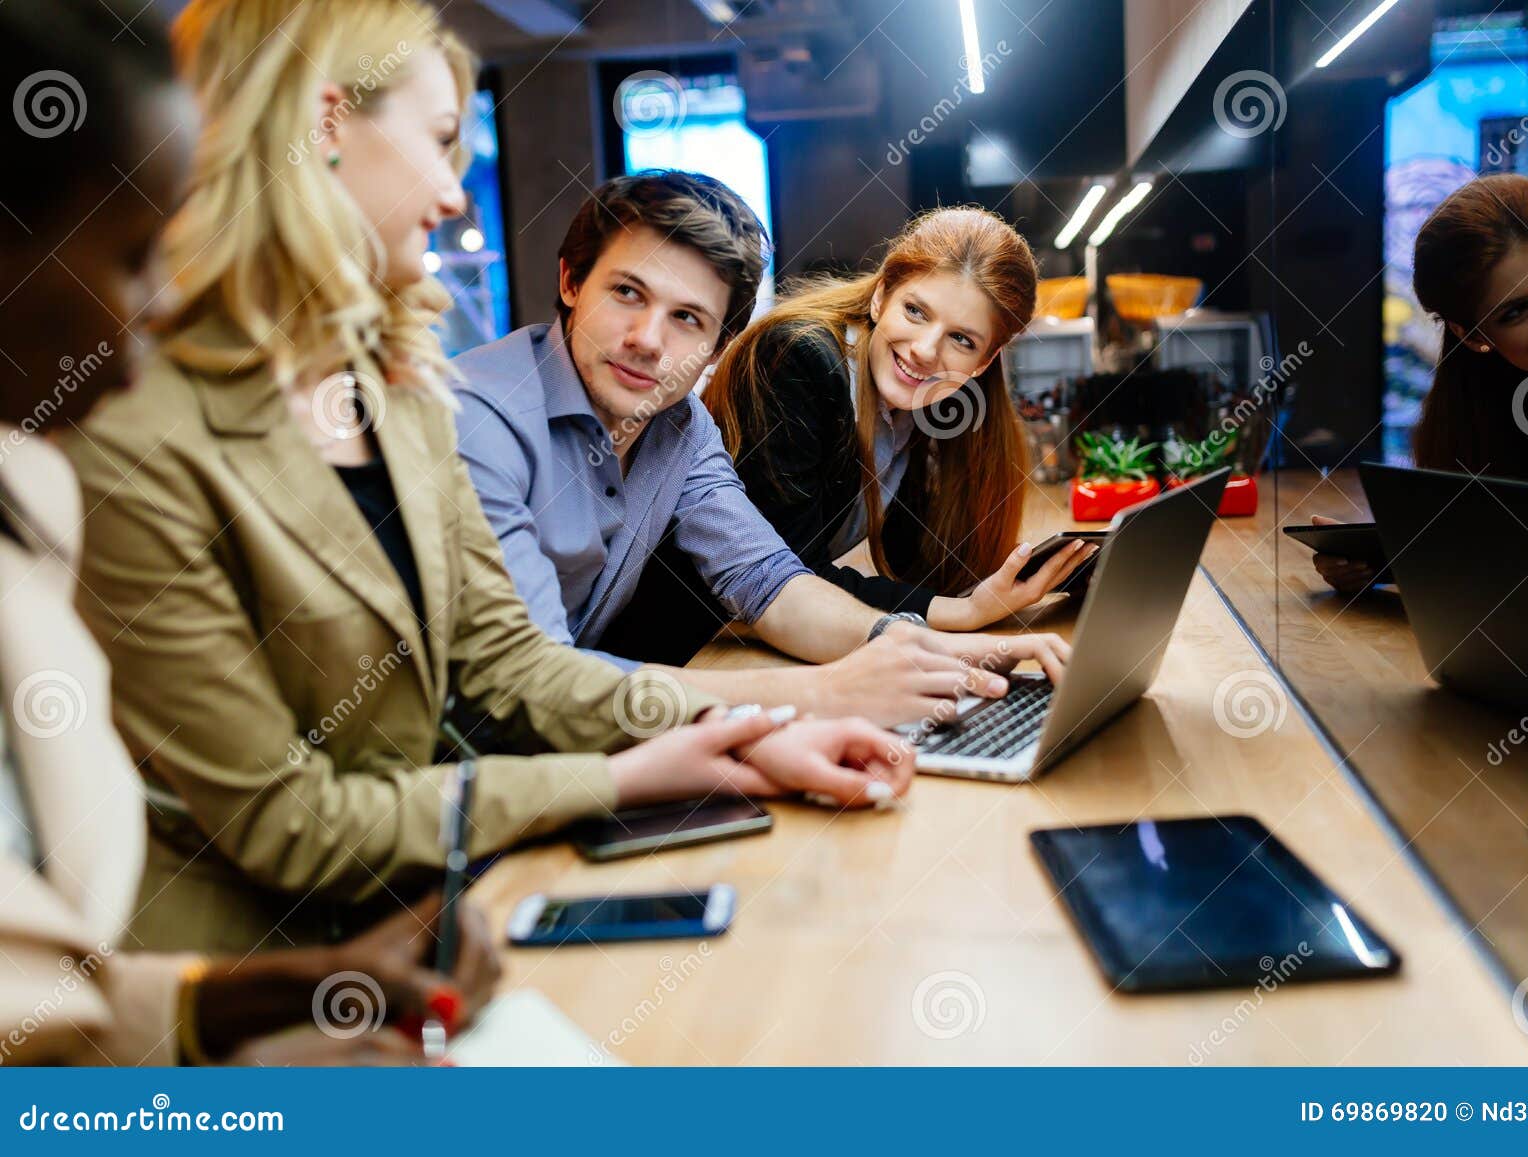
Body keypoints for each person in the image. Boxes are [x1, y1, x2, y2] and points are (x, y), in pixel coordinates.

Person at [60, 0, 907, 957]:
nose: (455, 193)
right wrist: (643, 770)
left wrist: (749, 724)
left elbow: (509, 660)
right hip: (239, 977)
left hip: (430, 910)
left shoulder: (395, 382)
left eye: (687, 319)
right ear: (327, 123)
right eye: (440, 140)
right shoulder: (132, 431)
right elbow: (283, 821)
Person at [0, 0, 498, 1067]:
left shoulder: (27, 503)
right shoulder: (116, 451)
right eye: (135, 255)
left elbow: (33, 994)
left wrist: (252, 1000)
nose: (155, 314)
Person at [451, 173, 1072, 727]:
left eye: (687, 318)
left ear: (719, 344)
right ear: (570, 280)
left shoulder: (681, 425)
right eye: (628, 293)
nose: (647, 339)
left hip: (586, 734)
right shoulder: (476, 420)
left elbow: (769, 582)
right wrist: (822, 693)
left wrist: (954, 650)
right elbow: (532, 681)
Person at [639, 205, 1097, 652]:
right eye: (916, 311)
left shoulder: (919, 403)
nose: (925, 350)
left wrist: (1054, 570)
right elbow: (796, 576)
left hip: (744, 641)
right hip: (678, 646)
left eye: (961, 339)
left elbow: (918, 558)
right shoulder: (798, 358)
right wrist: (962, 612)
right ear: (881, 296)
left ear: (985, 361)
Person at [1313, 175, 1528, 594]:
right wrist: (1390, 560)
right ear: (1472, 336)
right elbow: (1522, 552)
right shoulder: (1485, 416)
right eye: (1517, 311)